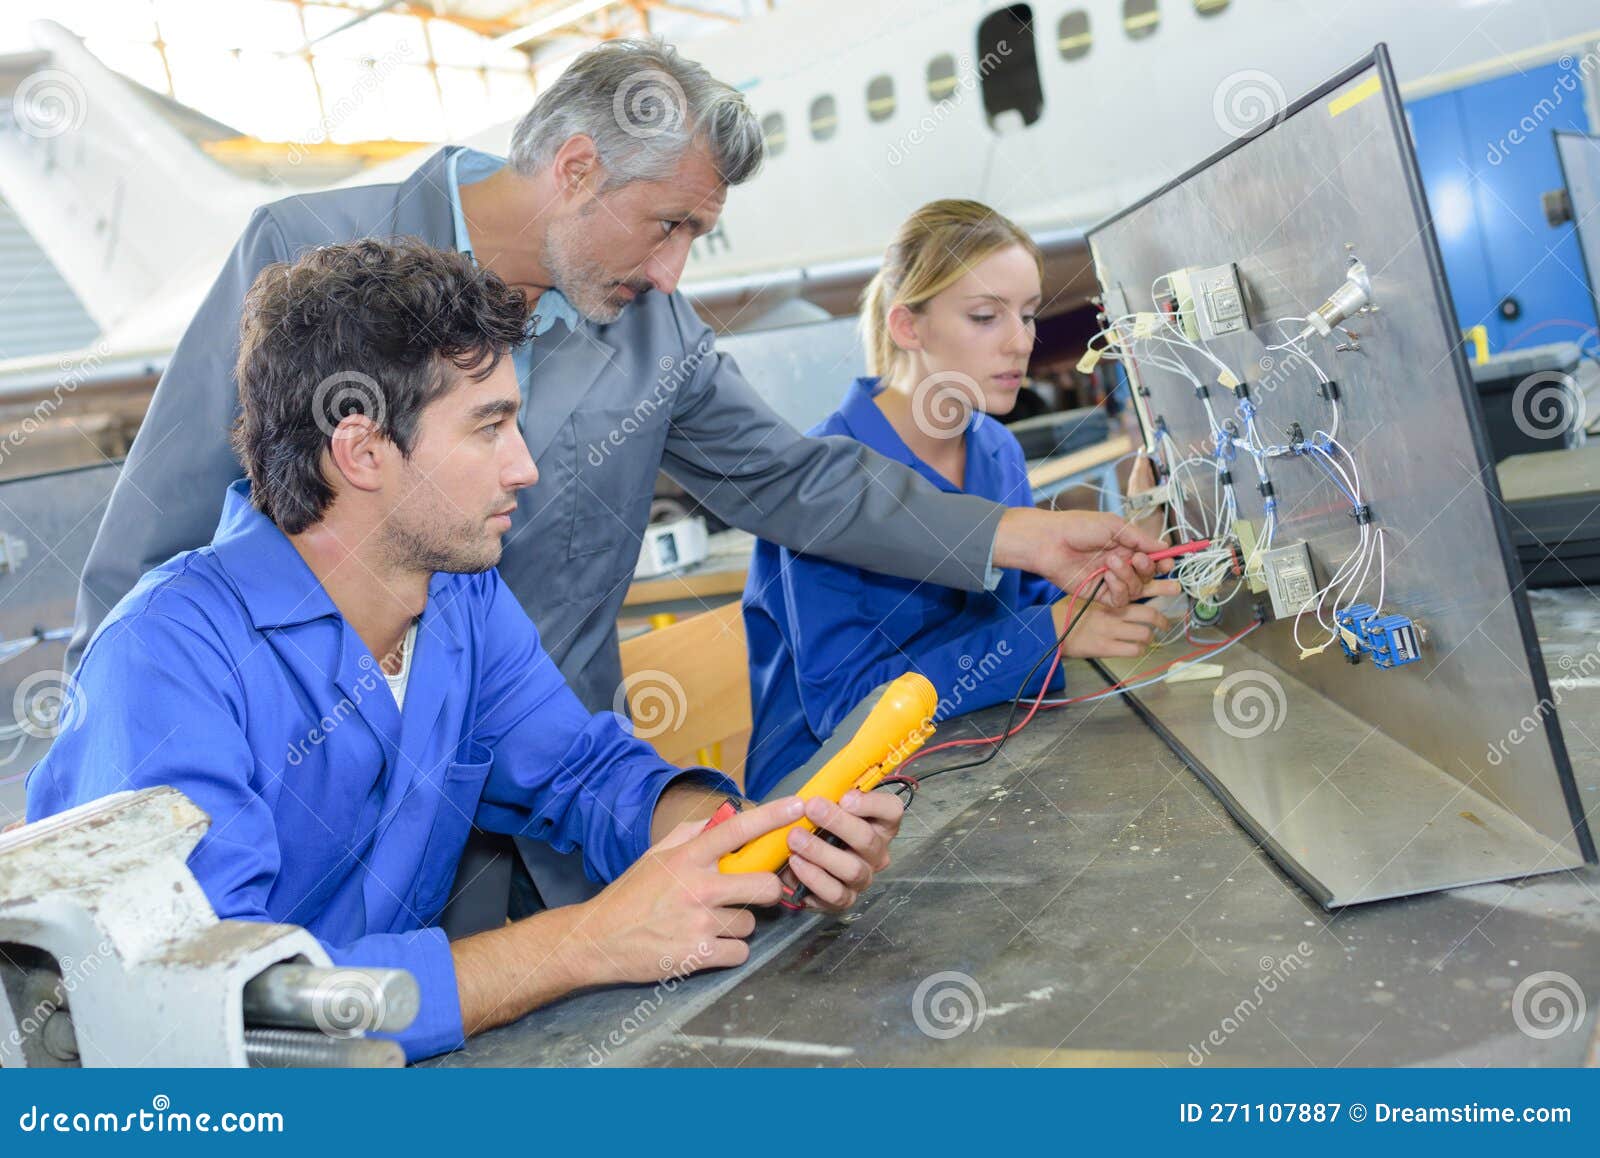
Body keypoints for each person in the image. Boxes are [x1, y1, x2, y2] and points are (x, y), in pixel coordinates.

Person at [70, 37, 1160, 913]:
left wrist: (1015, 538)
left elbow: (788, 480)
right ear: (576, 169)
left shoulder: (651, 332)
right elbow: (153, 541)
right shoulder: (303, 257)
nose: (675, 269)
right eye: (669, 225)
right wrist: (132, 771)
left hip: (551, 782)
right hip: (299, 805)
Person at [25, 239, 903, 1062]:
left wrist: (755, 846)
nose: (524, 467)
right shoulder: (165, 661)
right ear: (362, 450)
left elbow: (585, 778)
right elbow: (238, 1014)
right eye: (489, 428)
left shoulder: (459, 600)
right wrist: (586, 942)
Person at [742, 201, 1175, 796]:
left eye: (1027, 315)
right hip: (828, 809)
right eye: (984, 317)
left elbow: (1028, 602)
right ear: (908, 327)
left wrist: (1110, 572)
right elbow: (846, 710)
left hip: (972, 759)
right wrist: (1049, 636)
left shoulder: (995, 449)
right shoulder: (818, 484)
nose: (1021, 343)